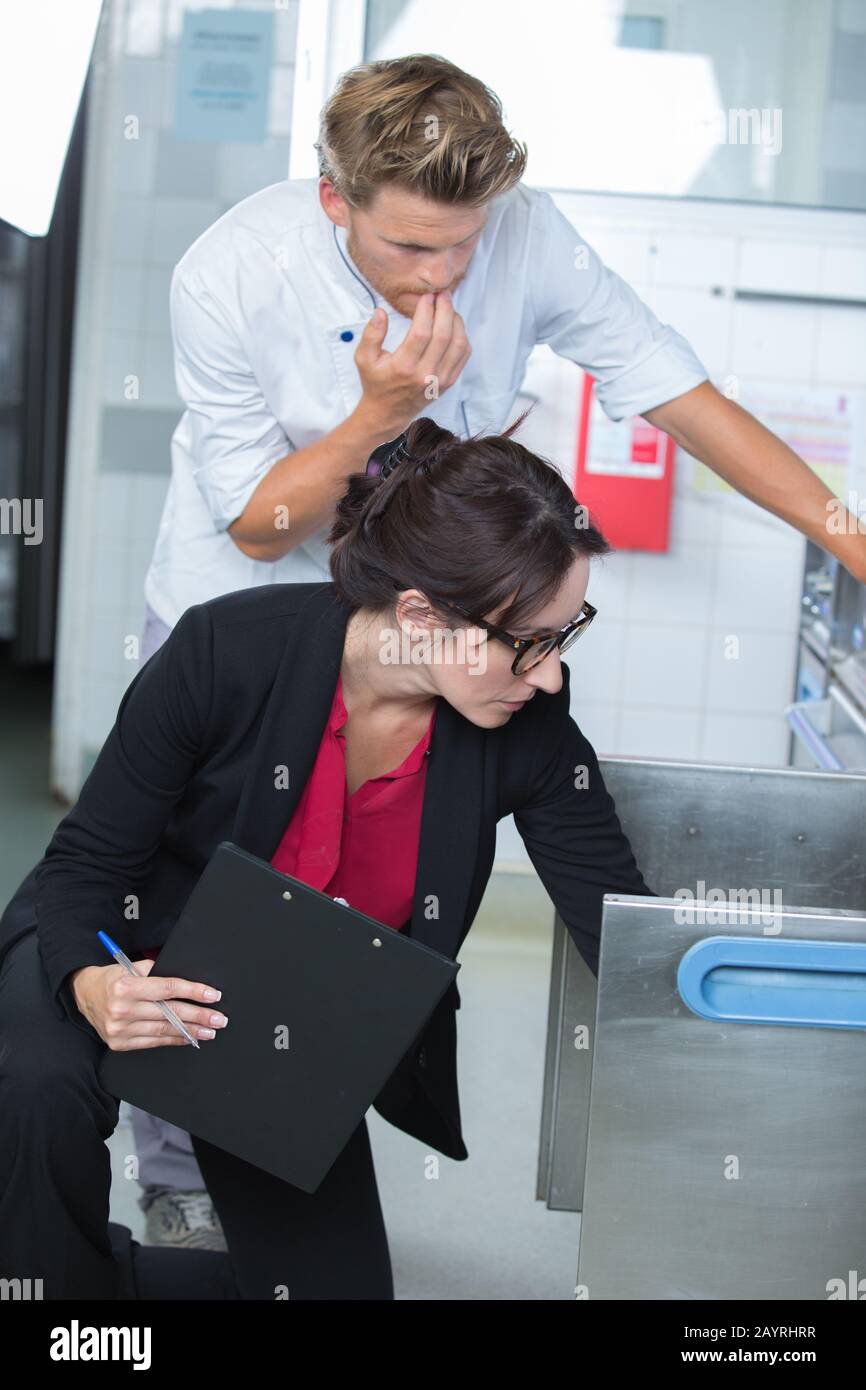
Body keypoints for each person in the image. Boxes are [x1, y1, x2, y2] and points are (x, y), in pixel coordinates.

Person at [130, 49, 866, 1233]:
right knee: (219, 900)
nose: (445, 275)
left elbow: (679, 394)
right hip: (247, 618)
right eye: (411, 248)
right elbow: (260, 527)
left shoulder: (526, 235)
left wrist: (854, 537)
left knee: (378, 898)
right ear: (334, 199)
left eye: (466, 244)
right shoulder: (231, 269)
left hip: (440, 627)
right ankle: (178, 1184)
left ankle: (300, 1130)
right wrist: (380, 413)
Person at [0, 415, 654, 1300]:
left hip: (277, 1002)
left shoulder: (527, 734)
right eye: (530, 643)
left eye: (566, 634)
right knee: (36, 1095)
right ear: (421, 615)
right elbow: (83, 863)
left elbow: (625, 926)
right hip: (115, 945)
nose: (549, 677)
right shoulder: (227, 648)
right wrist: (92, 985)